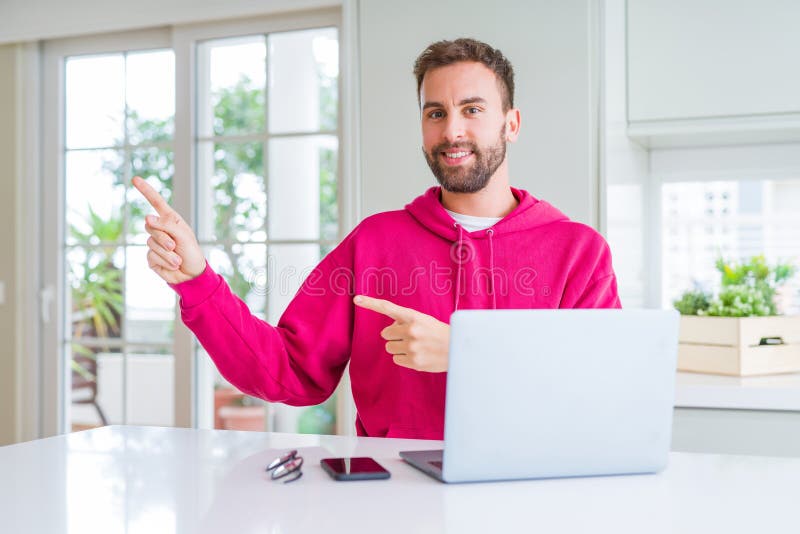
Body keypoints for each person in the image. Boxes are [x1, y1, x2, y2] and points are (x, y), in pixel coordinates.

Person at [133, 38, 621, 440]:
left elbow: (600, 392)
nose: (452, 130)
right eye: (435, 113)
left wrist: (469, 352)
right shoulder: (375, 242)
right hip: (392, 501)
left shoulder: (578, 252)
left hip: (531, 501)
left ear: (510, 124)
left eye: (472, 109)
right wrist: (198, 280)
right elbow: (289, 371)